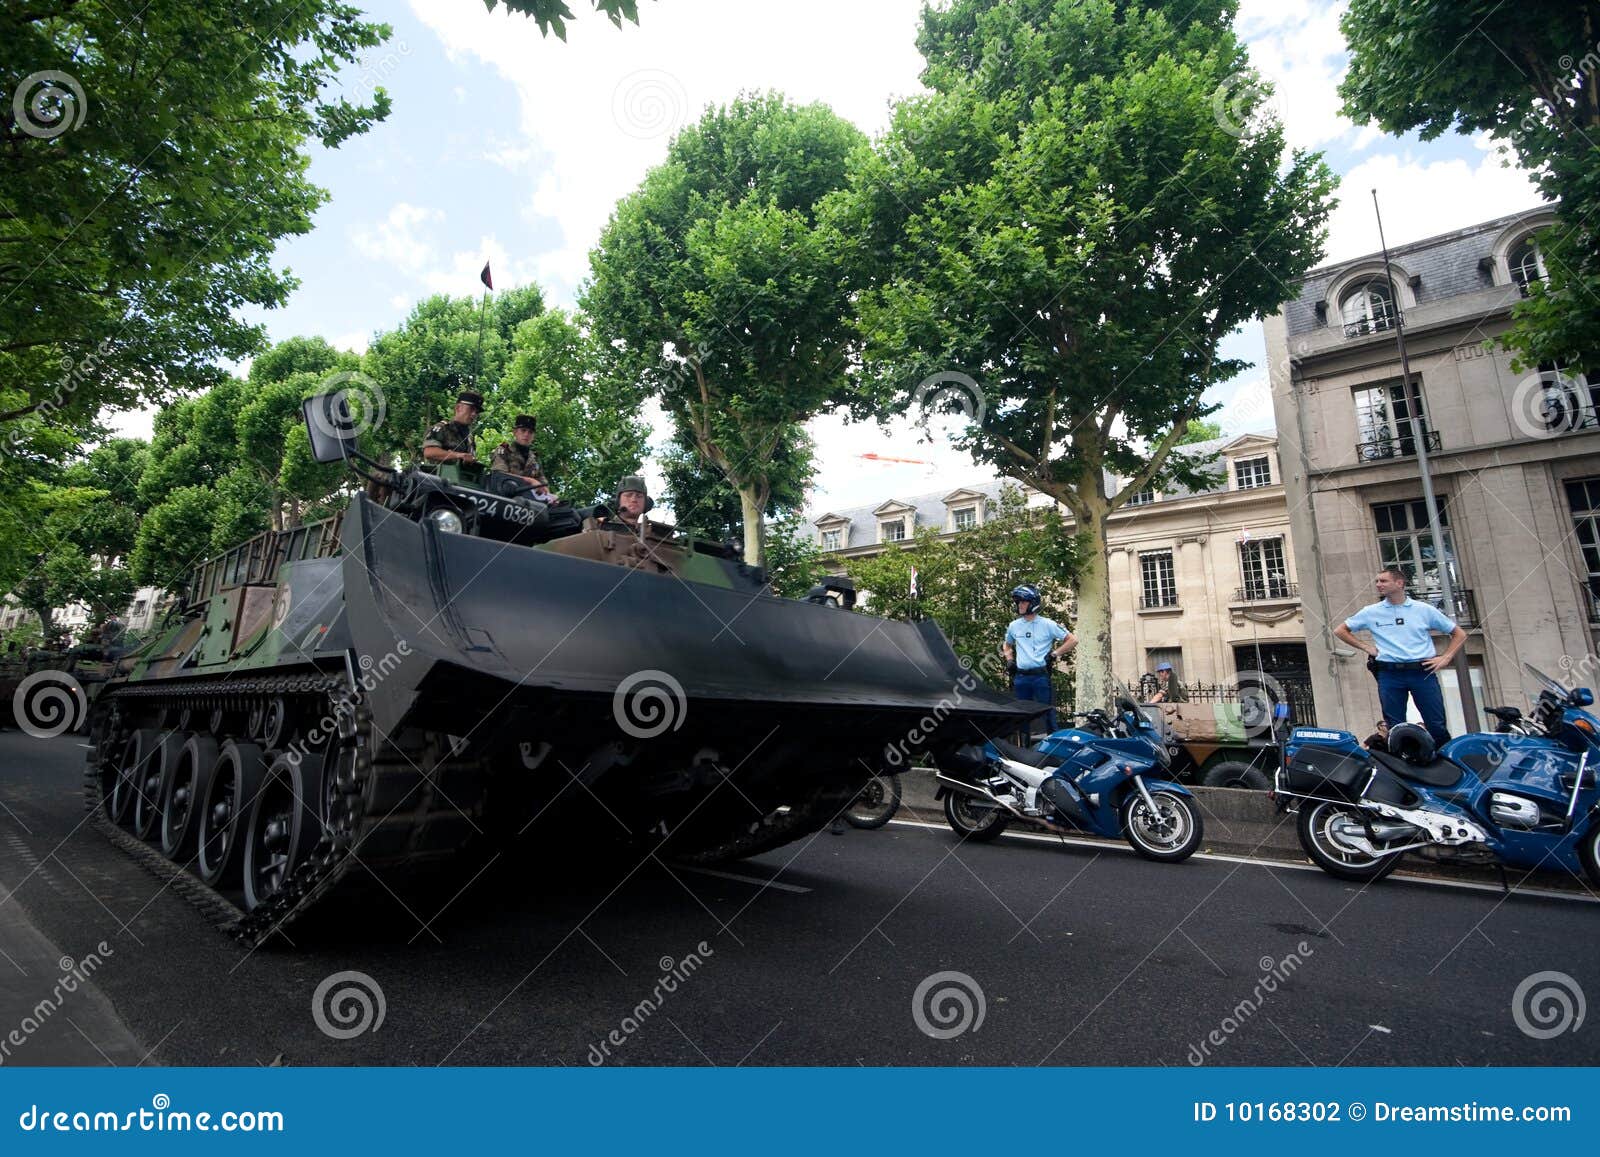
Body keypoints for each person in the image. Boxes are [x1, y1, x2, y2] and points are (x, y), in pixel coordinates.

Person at [1334, 566, 1467, 747]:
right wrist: (1366, 647)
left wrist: (1445, 657)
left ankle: (1446, 762)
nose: (1378, 584)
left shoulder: (1423, 610)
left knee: (1436, 723)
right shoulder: (1371, 611)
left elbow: (1459, 634)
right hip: (1389, 674)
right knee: (1395, 726)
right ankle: (1401, 764)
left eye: (1383, 581)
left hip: (1422, 671)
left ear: (1399, 583)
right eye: (1377, 581)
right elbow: (1340, 630)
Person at [1001, 584, 1076, 734]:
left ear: (1033, 603)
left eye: (1023, 601)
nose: (1019, 605)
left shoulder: (1048, 624)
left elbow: (1072, 640)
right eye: (1018, 602)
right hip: (1021, 677)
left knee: (1048, 714)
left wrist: (1055, 654)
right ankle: (1023, 749)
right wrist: (1009, 659)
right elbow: (1007, 645)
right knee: (1021, 716)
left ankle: (1054, 748)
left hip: (1040, 676)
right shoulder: (1014, 626)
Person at [489, 414, 555, 500]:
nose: (526, 434)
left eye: (530, 432)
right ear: (515, 432)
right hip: (504, 498)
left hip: (528, 502)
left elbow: (542, 483)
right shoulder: (504, 451)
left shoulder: (534, 459)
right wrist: (529, 481)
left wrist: (549, 496)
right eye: (523, 430)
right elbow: (499, 476)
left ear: (533, 436)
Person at [422, 387, 482, 466]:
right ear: (458, 408)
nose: (474, 414)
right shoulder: (442, 428)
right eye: (471, 409)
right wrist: (457, 455)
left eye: (476, 412)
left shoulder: (470, 438)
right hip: (438, 476)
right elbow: (429, 452)